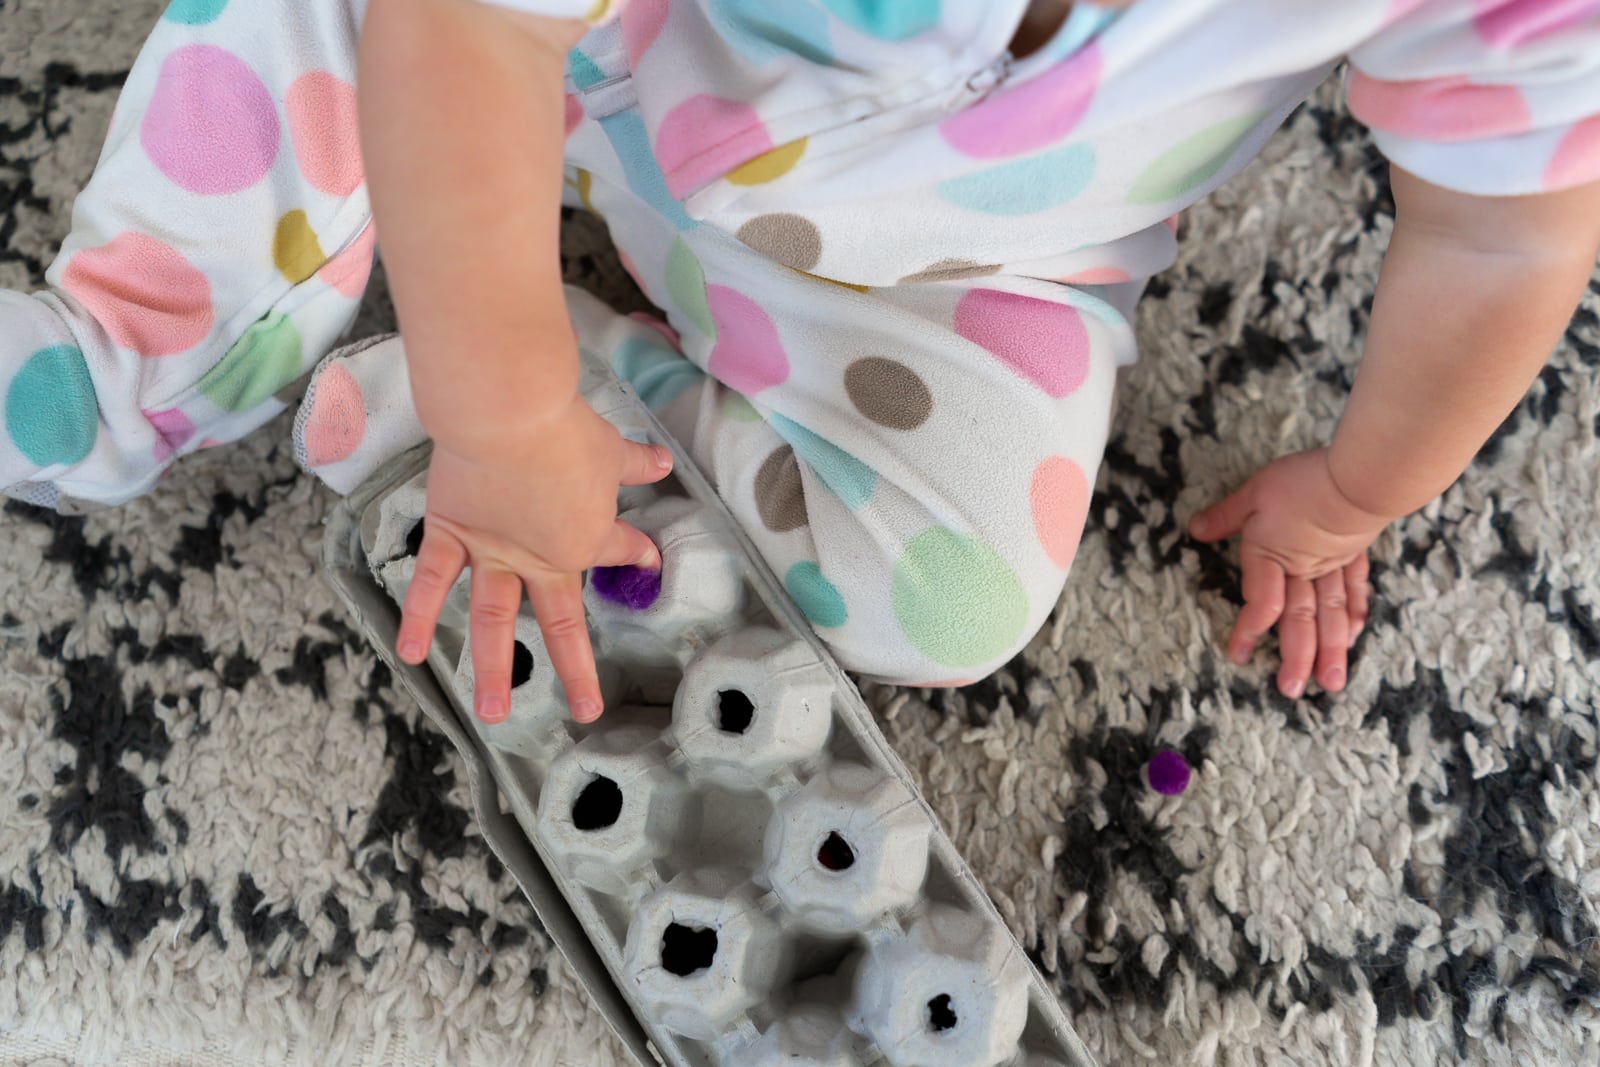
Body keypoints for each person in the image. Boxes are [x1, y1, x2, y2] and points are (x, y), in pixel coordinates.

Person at [4, 0, 1597, 727]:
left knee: (953, 590)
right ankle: (128, 350)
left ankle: (539, 351)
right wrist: (504, 432)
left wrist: (1354, 494)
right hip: (553, 61)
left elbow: (1506, 233)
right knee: (313, 23)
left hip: (966, 251)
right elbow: (470, 27)